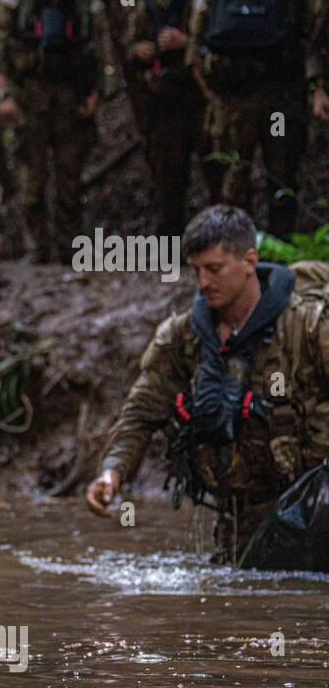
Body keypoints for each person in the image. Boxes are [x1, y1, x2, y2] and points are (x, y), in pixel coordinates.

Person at [85, 205, 329, 564]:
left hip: (314, 514)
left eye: (214, 269)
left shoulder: (308, 326)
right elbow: (141, 414)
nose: (203, 283)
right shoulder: (183, 337)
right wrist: (112, 472)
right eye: (196, 270)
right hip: (237, 521)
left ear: (249, 261)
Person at [0, 0, 110, 264]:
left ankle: (70, 248)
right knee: (32, 176)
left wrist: (96, 92)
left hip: (70, 96)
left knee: (71, 175)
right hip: (30, 99)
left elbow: (98, 47)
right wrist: (3, 95)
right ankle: (36, 249)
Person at [186, 0, 319, 238]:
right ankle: (234, 249)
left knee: (282, 172)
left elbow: (311, 39)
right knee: (233, 177)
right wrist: (211, 96)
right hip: (232, 103)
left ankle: (282, 246)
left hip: (279, 102)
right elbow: (195, 52)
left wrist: (314, 86)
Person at [125, 0, 210, 234]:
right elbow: (130, 43)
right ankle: (169, 247)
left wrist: (186, 43)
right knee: (168, 177)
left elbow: (220, 37)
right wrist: (139, 50)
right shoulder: (146, 1)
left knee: (215, 168)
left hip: (200, 95)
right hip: (164, 99)